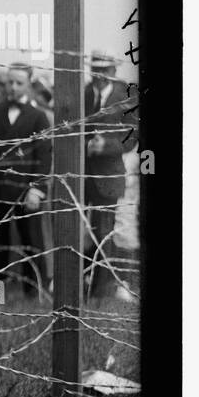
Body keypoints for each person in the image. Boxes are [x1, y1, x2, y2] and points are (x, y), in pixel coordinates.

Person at [0, 62, 53, 297]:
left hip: (25, 190)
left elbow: (44, 157)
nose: (13, 87)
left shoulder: (38, 117)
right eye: (10, 82)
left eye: (19, 83)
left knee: (31, 241)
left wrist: (36, 189)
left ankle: (33, 292)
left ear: (29, 85)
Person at [84, 49, 136, 298]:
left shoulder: (125, 95)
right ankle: (86, 282)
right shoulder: (83, 93)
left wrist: (106, 146)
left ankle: (100, 289)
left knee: (104, 231)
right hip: (82, 175)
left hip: (109, 175)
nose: (98, 76)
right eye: (95, 70)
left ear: (113, 71)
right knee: (83, 230)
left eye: (104, 71)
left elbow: (131, 137)